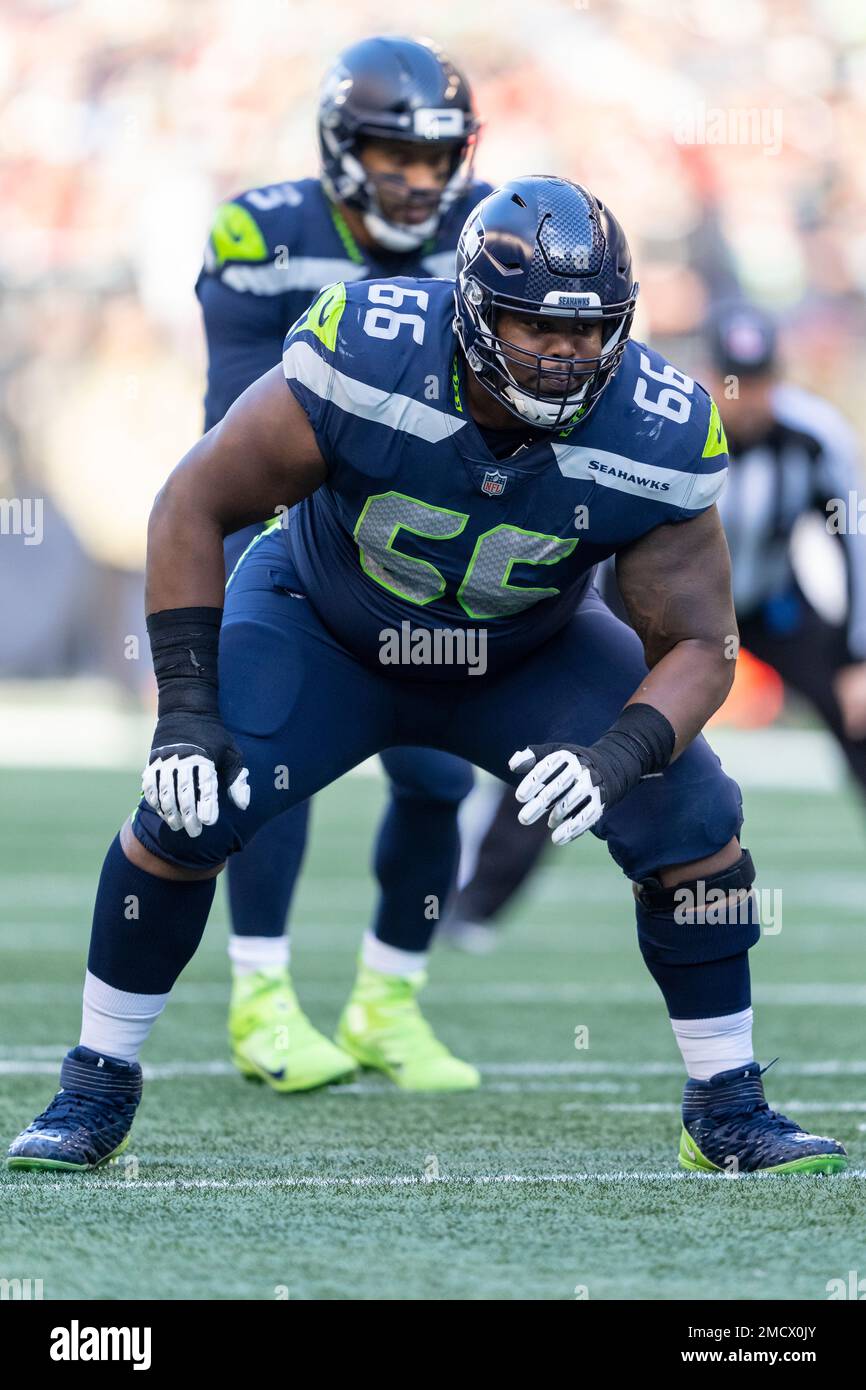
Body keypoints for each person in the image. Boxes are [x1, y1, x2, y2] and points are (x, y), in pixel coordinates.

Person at [8, 177, 846, 1175]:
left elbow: (701, 643)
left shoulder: (653, 426)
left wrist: (618, 754)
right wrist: (185, 709)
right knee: (186, 806)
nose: (567, 352)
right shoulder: (368, 352)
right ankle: (94, 1085)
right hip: (323, 624)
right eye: (537, 324)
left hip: (517, 653)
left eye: (589, 330)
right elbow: (190, 503)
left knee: (695, 819)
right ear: (472, 309)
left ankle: (727, 1108)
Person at [197, 34, 492, 1092]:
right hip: (295, 531)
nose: (418, 182)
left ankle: (386, 999)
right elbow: (235, 429)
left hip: (429, 548)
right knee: (267, 766)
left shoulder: (490, 234)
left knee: (434, 775)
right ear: (338, 145)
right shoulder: (262, 231)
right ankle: (260, 997)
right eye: (392, 156)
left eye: (434, 158)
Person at [444, 301, 866, 953]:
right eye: (735, 380)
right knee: (569, 725)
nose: (746, 398)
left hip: (768, 602)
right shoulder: (671, 427)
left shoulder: (812, 436)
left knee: (861, 714)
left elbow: (856, 541)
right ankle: (477, 900)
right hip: (660, 608)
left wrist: (859, 657)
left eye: (758, 382)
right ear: (711, 373)